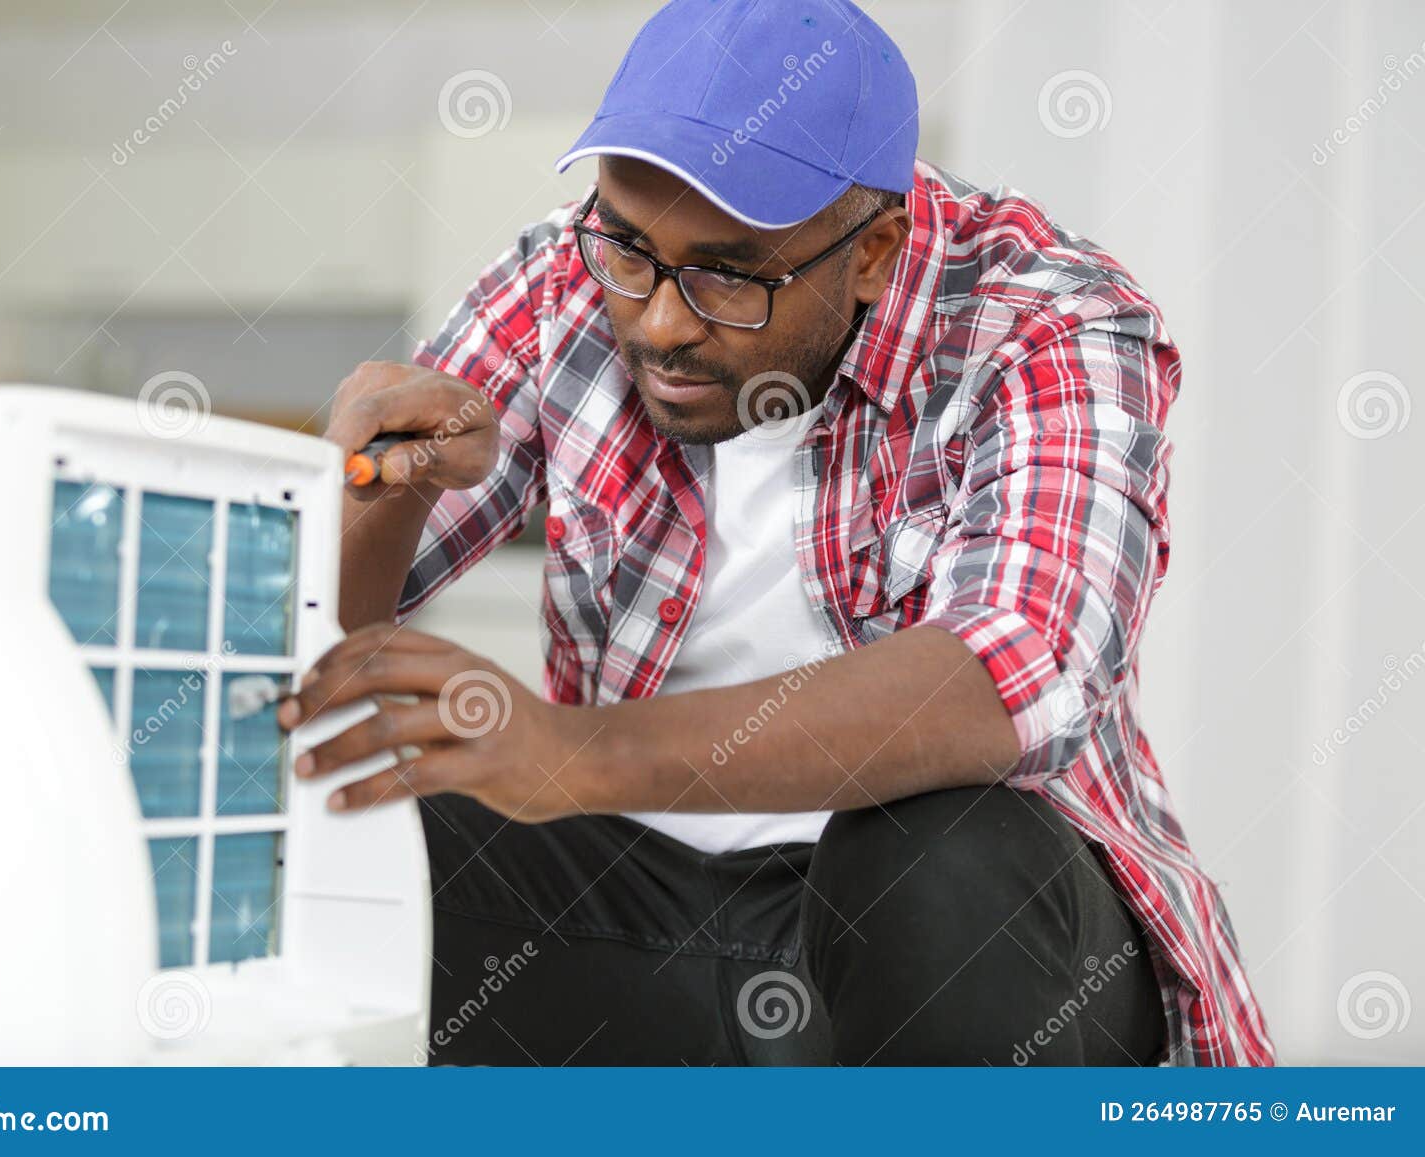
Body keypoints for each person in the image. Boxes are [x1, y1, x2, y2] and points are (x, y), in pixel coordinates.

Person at [277, 0, 1273, 1065]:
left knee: (937, 852)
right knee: (343, 813)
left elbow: (1012, 675)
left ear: (874, 252)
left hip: (961, 951)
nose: (662, 321)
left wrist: (570, 753)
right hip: (644, 918)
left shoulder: (1045, 318)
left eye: (730, 273)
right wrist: (389, 494)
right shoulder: (569, 274)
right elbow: (303, 651)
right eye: (630, 248)